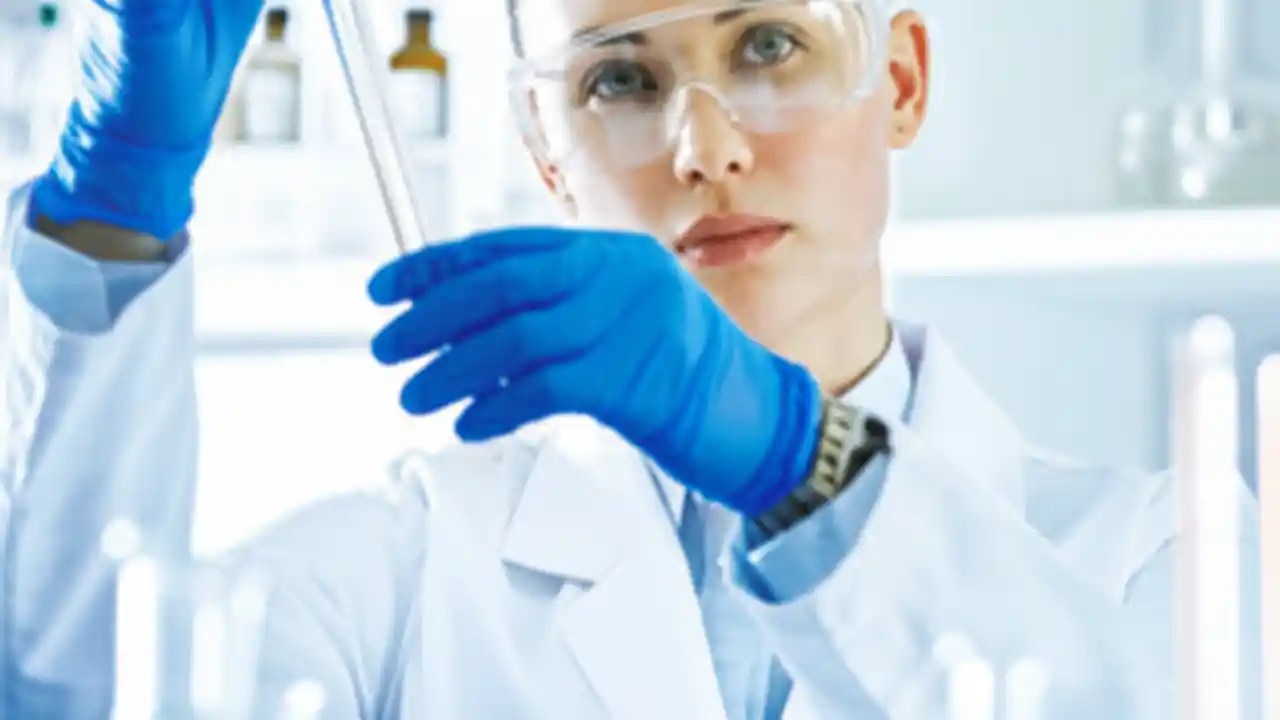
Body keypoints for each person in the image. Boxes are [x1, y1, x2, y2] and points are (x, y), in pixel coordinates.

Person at [0, 0, 1262, 717]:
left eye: (766, 44)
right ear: (543, 151)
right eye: (617, 79)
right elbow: (85, 691)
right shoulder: (413, 562)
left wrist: (798, 457)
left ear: (901, 80)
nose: (702, 148)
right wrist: (115, 209)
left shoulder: (1162, 552)